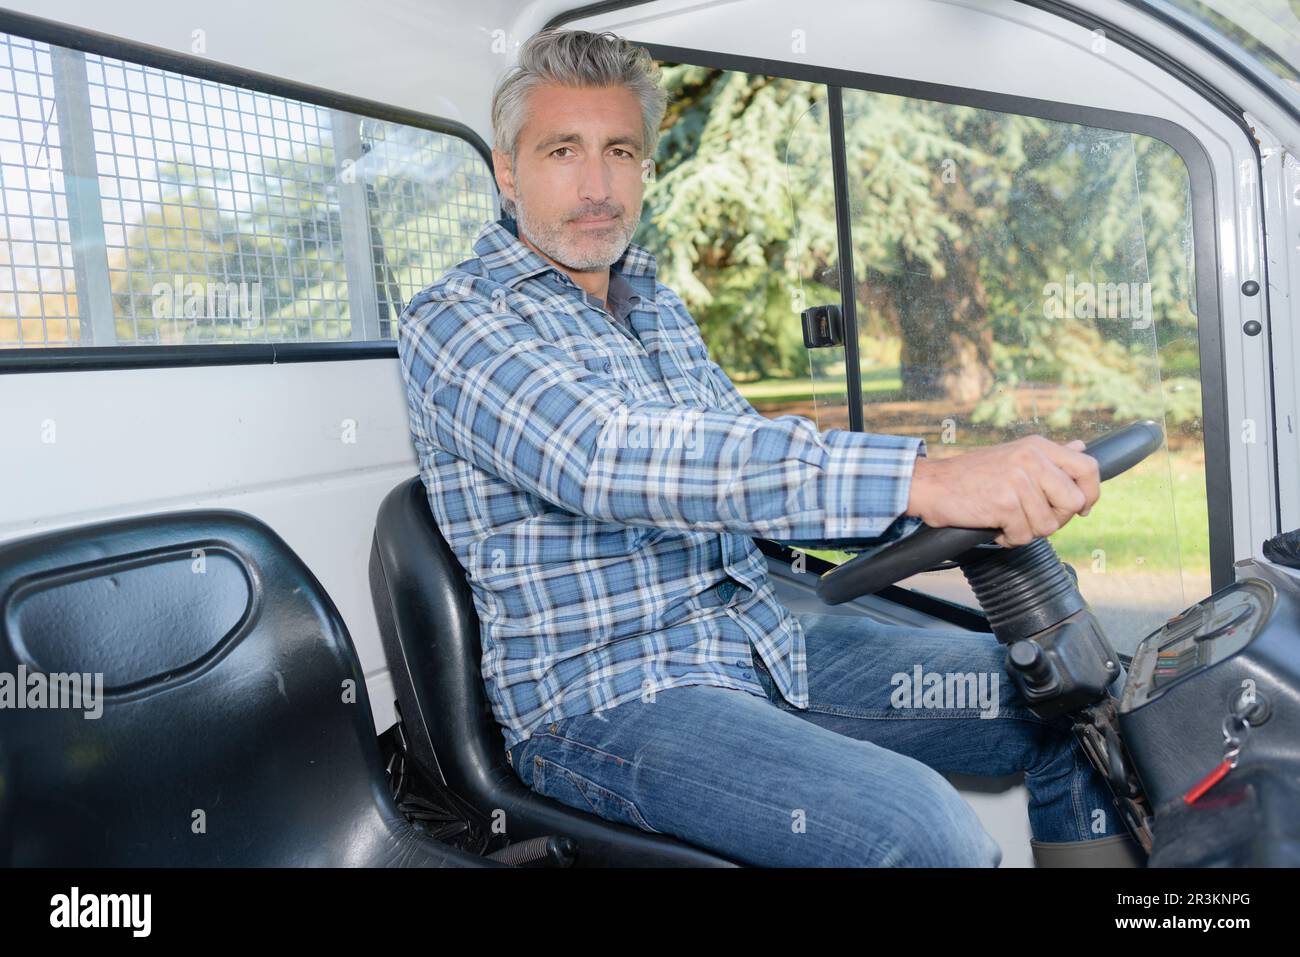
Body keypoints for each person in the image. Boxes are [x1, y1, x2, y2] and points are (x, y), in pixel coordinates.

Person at [395, 27, 1141, 866]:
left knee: (1079, 699)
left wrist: (970, 503)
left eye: (620, 151)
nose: (597, 185)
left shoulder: (654, 306)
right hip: (611, 703)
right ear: (507, 171)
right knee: (919, 828)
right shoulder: (457, 319)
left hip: (763, 645)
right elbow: (605, 455)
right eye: (562, 150)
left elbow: (751, 468)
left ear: (646, 166)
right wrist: (923, 479)